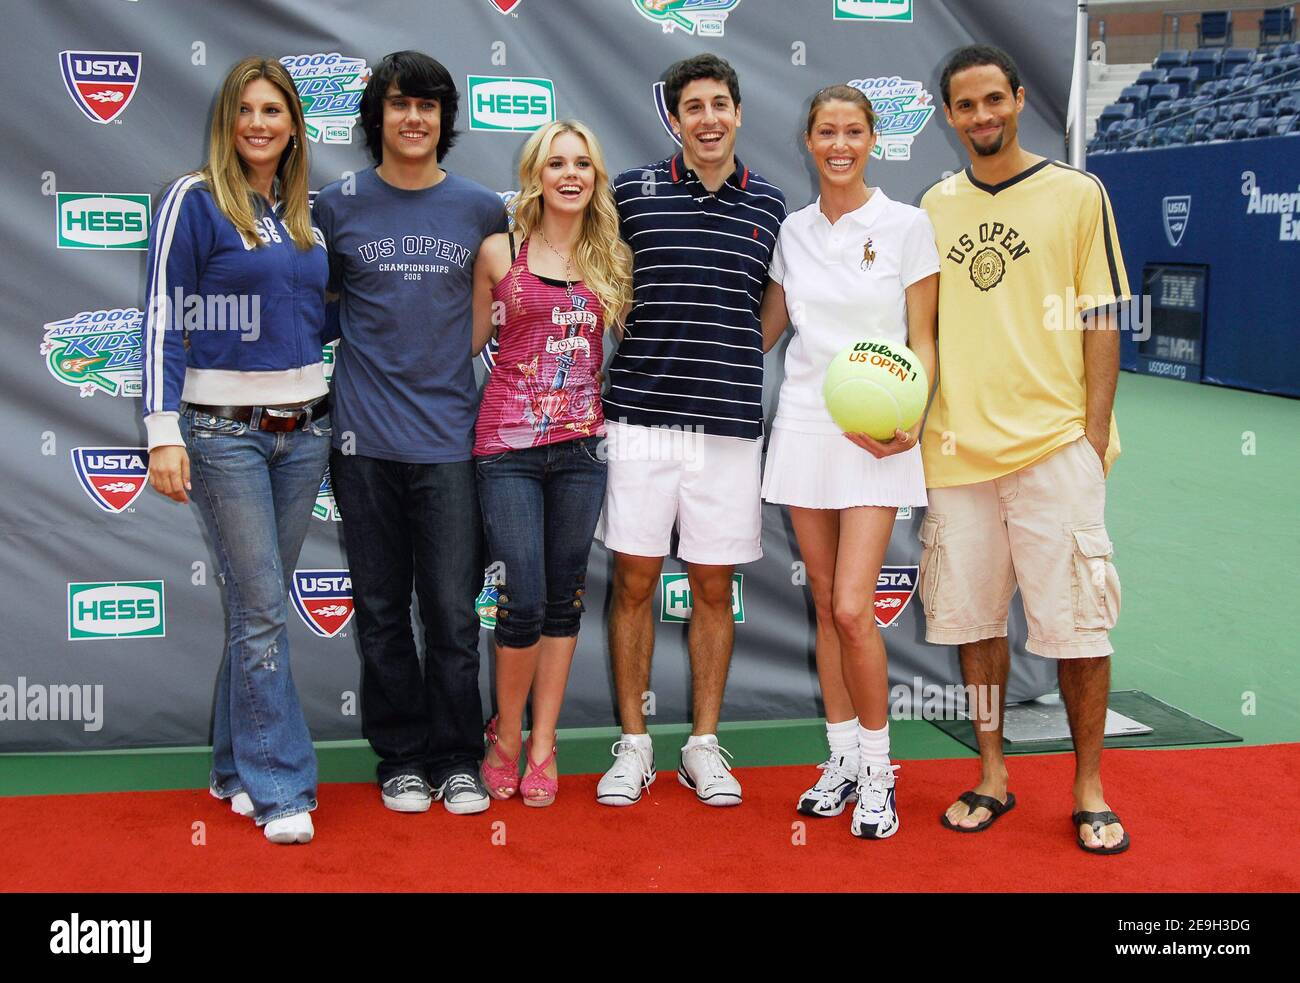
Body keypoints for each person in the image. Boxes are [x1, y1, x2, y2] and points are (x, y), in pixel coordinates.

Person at [919, 44, 1130, 854]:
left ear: (1017, 98)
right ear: (948, 115)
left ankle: (1088, 786)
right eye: (965, 105)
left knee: (1079, 627)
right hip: (959, 452)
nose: (982, 116)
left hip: (1053, 449)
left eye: (993, 100)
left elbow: (1104, 315)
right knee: (976, 626)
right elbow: (923, 330)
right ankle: (992, 773)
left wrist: (1089, 434)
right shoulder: (933, 205)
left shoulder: (1077, 193)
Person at [312, 51, 507, 816]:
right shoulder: (339, 205)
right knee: (384, 608)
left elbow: (496, 312)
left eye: (428, 104)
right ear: (377, 117)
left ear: (445, 119)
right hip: (362, 443)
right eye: (400, 104)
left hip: (451, 441)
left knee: (455, 615)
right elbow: (315, 304)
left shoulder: (480, 208)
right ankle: (400, 755)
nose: (415, 117)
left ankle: (459, 756)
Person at [142, 56, 331, 845]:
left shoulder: (308, 214)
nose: (259, 123)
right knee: (260, 609)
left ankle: (232, 767)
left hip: (307, 432)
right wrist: (160, 431)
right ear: (228, 119)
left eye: (274, 111)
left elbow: (329, 317)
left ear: (294, 125)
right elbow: (161, 317)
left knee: (256, 608)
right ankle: (282, 782)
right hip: (223, 435)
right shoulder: (193, 200)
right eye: (246, 109)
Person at [596, 54, 786, 808]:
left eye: (720, 104)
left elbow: (776, 304)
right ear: (673, 120)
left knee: (714, 587)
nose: (708, 119)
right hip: (642, 421)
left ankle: (702, 745)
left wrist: (736, 352)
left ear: (738, 112)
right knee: (636, 582)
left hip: (730, 426)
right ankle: (635, 745)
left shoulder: (770, 202)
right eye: (693, 108)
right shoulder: (632, 193)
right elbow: (605, 283)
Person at [759, 85, 938, 839]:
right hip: (802, 424)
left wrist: (913, 418)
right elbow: (762, 334)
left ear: (872, 140)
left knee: (849, 608)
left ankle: (878, 768)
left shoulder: (908, 224)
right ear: (808, 140)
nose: (840, 144)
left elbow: (924, 338)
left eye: (853, 131)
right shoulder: (791, 231)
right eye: (826, 131)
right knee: (826, 601)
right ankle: (839, 760)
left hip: (876, 433)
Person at [470, 120, 631, 806]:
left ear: (595, 179)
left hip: (581, 451)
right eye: (557, 163)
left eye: (583, 165)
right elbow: (465, 344)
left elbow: (639, 351)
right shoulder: (497, 251)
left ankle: (543, 742)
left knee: (565, 596)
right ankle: (504, 734)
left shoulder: (612, 258)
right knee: (524, 598)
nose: (571, 174)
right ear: (536, 173)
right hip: (506, 448)